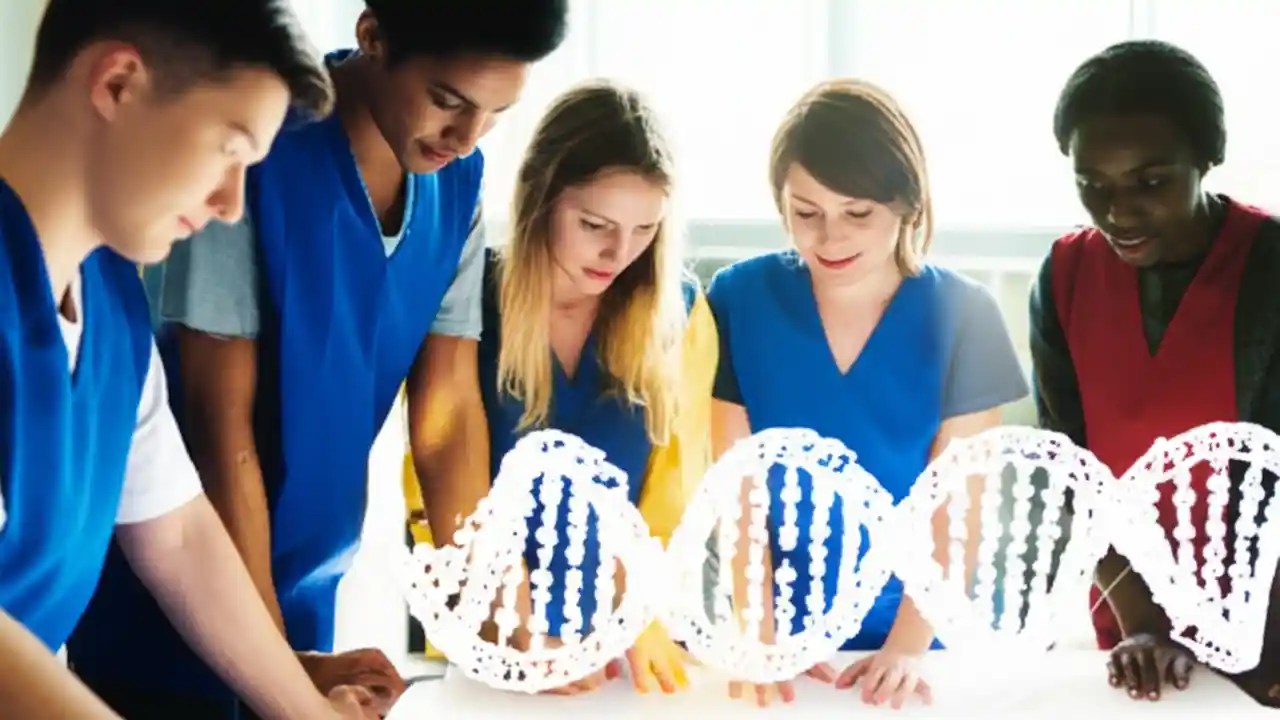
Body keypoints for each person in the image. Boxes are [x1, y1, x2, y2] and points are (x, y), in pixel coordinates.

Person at [67, 1, 570, 716]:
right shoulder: (247, 160)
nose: (467, 136)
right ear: (372, 37)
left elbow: (447, 424)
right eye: (448, 101)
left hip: (304, 585)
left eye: (496, 113)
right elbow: (220, 429)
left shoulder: (458, 188)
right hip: (171, 590)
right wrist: (275, 664)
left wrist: (504, 617)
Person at [0, 1, 382, 718]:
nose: (233, 204)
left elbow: (178, 534)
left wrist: (308, 712)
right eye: (229, 150)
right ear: (118, 84)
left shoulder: (111, 303)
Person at [706, 78, 1028, 708]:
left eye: (858, 214)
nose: (830, 238)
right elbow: (737, 494)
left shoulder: (966, 314)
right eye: (806, 213)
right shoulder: (737, 300)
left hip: (924, 628)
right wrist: (763, 631)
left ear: (908, 204)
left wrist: (908, 647)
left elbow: (955, 511)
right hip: (771, 619)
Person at [403, 80, 717, 695]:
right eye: (595, 223)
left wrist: (633, 619)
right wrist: (512, 631)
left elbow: (674, 492)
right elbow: (434, 487)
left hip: (623, 643)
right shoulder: (465, 303)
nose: (618, 252)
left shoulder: (680, 313)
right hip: (484, 635)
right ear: (542, 198)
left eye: (644, 230)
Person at [1033, 39, 1280, 706]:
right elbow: (1069, 474)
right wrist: (1142, 627)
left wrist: (1260, 644)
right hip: (1130, 622)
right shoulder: (1064, 278)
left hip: (1268, 623)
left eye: (1150, 181)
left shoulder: (1270, 269)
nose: (1118, 211)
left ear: (1206, 157)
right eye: (1093, 185)